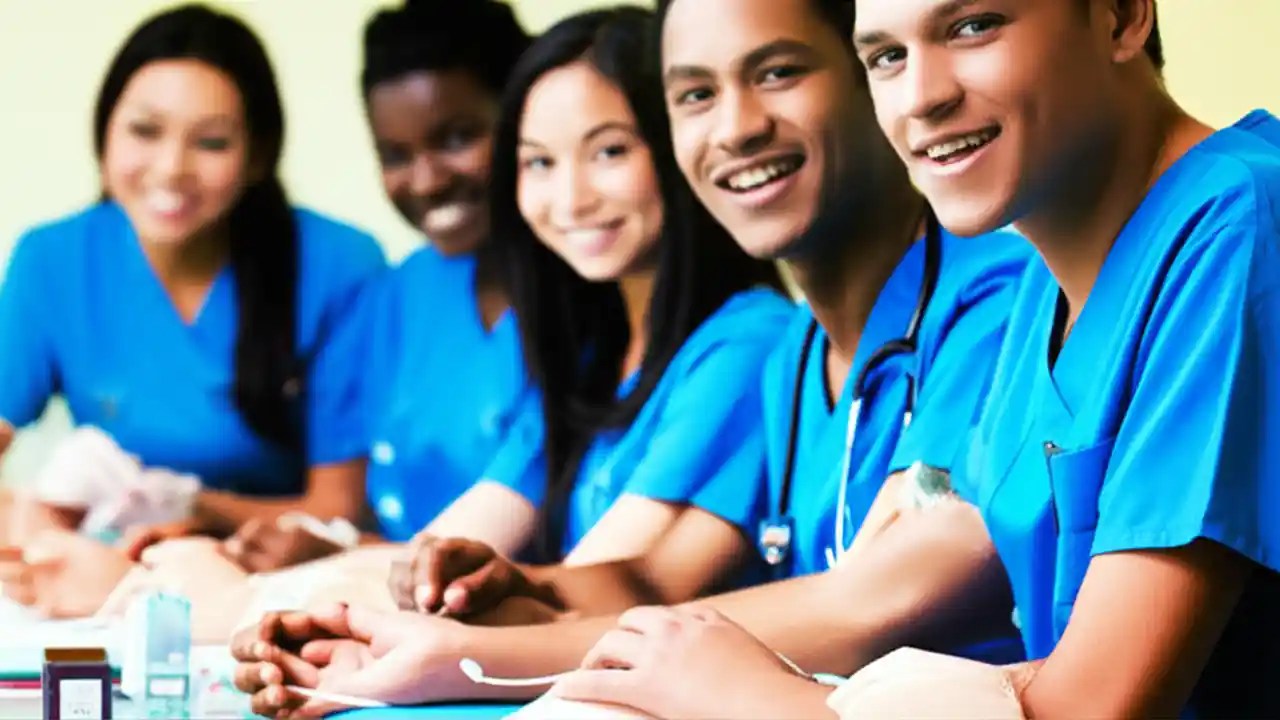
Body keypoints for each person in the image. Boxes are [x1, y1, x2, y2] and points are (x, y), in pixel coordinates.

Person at [230, 1, 1034, 716]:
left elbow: (874, 600)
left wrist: (472, 660)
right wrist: (513, 593)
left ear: (871, 74)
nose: (736, 127)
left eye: (779, 72)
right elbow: (651, 581)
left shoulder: (993, 303)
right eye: (696, 95)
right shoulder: (795, 358)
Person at [546, 0, 1280, 718]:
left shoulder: (1241, 223)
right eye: (887, 57)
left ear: (1120, 16)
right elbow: (1045, 673)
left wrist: (756, 694)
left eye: (972, 26)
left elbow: (1095, 703)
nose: (921, 98)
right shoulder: (1042, 286)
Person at [0, 4, 384, 554]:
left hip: (278, 575)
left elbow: (338, 506)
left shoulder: (337, 264)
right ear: (104, 131)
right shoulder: (51, 260)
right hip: (109, 568)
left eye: (211, 142)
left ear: (257, 156)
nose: (171, 167)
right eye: (144, 130)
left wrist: (192, 506)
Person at [219, 0, 538, 571]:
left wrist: (349, 558)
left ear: (525, 116)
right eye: (395, 154)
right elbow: (358, 505)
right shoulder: (393, 300)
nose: (426, 180)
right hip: (392, 610)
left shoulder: (588, 296)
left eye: (457, 138)